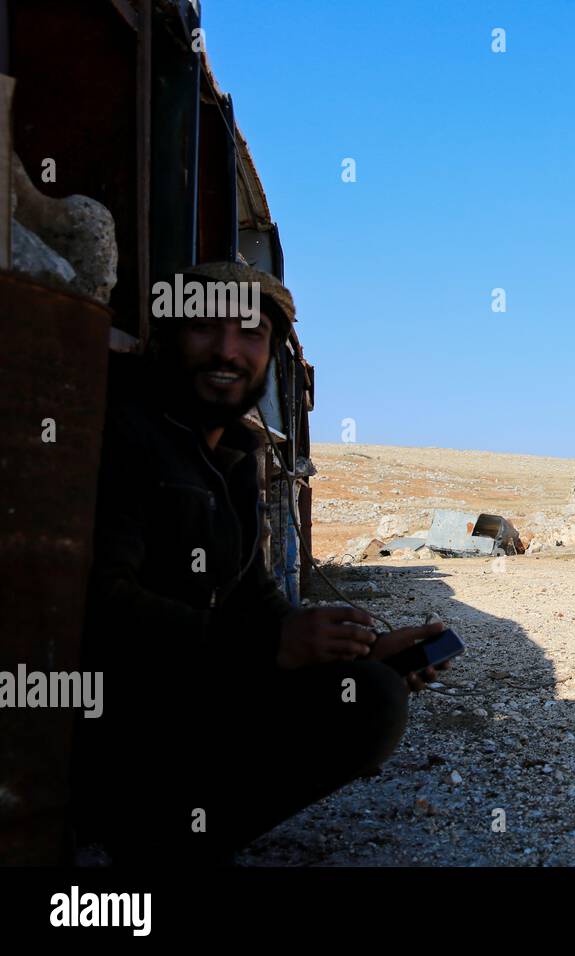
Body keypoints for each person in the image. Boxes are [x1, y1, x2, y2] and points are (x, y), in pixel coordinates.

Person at [74, 261, 447, 864]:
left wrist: (355, 647)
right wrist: (267, 646)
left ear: (271, 354)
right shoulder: (122, 431)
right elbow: (96, 610)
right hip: (111, 717)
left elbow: (254, 600)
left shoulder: (237, 458)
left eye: (251, 334)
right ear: (169, 335)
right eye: (204, 328)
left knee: (369, 690)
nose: (228, 350)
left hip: (192, 695)